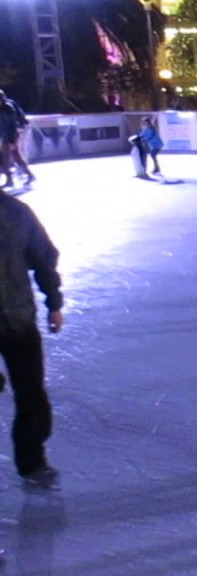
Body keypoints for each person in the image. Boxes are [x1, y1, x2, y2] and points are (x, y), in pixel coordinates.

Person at [0, 189, 63, 490]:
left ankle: (32, 462)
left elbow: (43, 257)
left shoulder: (16, 212)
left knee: (31, 394)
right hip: (17, 316)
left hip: (18, 319)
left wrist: (54, 303)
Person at [0, 90, 33, 188]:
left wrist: (12, 140)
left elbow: (13, 125)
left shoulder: (8, 108)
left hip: (11, 135)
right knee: (16, 156)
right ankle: (29, 175)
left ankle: (10, 179)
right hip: (7, 135)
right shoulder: (2, 108)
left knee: (7, 157)